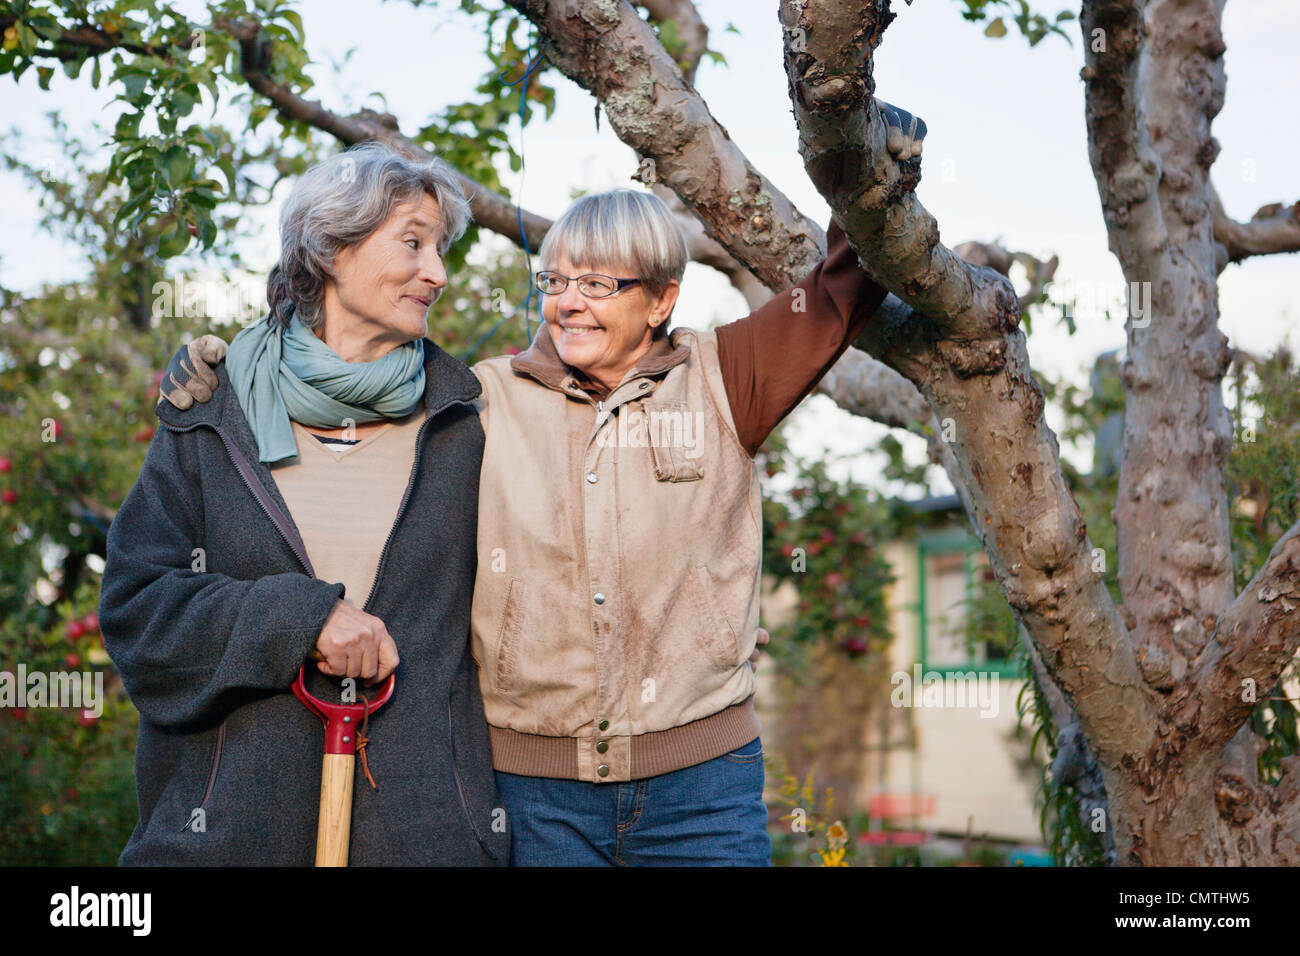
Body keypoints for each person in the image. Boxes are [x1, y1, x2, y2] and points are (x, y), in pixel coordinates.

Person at [161, 109, 926, 866]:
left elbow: (836, 294)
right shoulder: (477, 397)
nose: (567, 302)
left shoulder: (727, 377)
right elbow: (346, 367)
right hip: (533, 794)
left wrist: (875, 175)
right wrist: (218, 376)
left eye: (598, 282)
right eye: (556, 280)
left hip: (702, 789)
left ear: (661, 300)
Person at [100, 142, 508, 865]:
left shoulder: (464, 424)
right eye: (413, 243)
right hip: (226, 843)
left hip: (424, 842)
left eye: (441, 249)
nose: (438, 274)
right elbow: (139, 611)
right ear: (332, 247)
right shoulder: (210, 412)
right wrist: (298, 617)